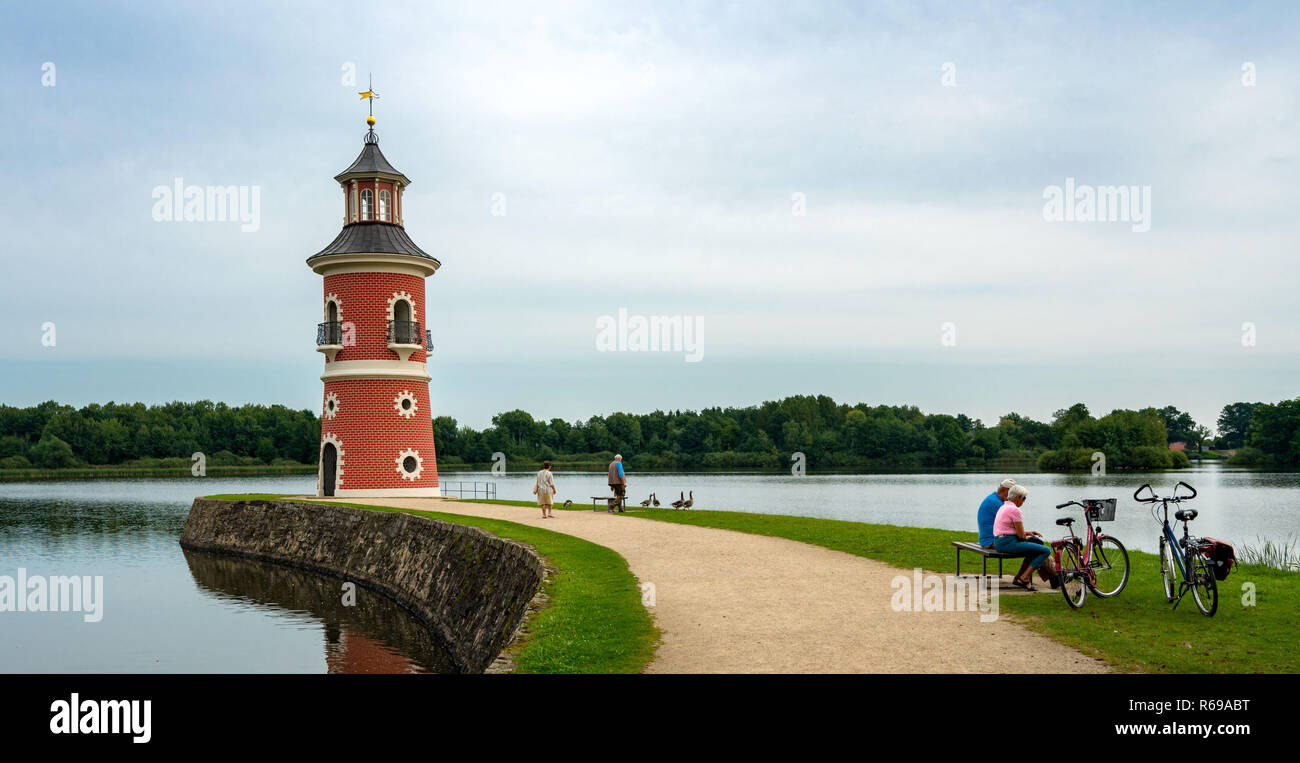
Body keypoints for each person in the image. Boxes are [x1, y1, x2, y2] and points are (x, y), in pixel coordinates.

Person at [992, 484, 1058, 591]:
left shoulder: (1004, 506)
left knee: (1033, 550)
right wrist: (1025, 536)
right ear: (1018, 498)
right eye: (1024, 498)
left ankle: (1018, 578)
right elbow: (1021, 536)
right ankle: (1025, 578)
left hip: (999, 541)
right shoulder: (1015, 510)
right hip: (1008, 543)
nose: (1024, 501)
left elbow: (1008, 529)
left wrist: (1028, 533)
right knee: (1046, 550)